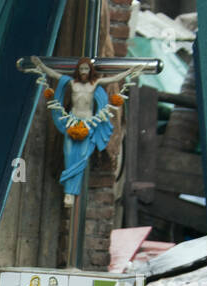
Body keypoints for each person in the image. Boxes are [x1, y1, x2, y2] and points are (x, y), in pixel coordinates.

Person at [29, 56, 144, 205]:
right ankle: (68, 191)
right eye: (82, 69)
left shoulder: (94, 84)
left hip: (88, 124)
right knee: (69, 154)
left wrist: (130, 71)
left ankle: (70, 192)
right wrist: (40, 65)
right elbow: (53, 74)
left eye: (86, 69)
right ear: (78, 70)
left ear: (90, 71)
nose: (84, 72)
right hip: (72, 122)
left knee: (82, 157)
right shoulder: (72, 83)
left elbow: (114, 78)